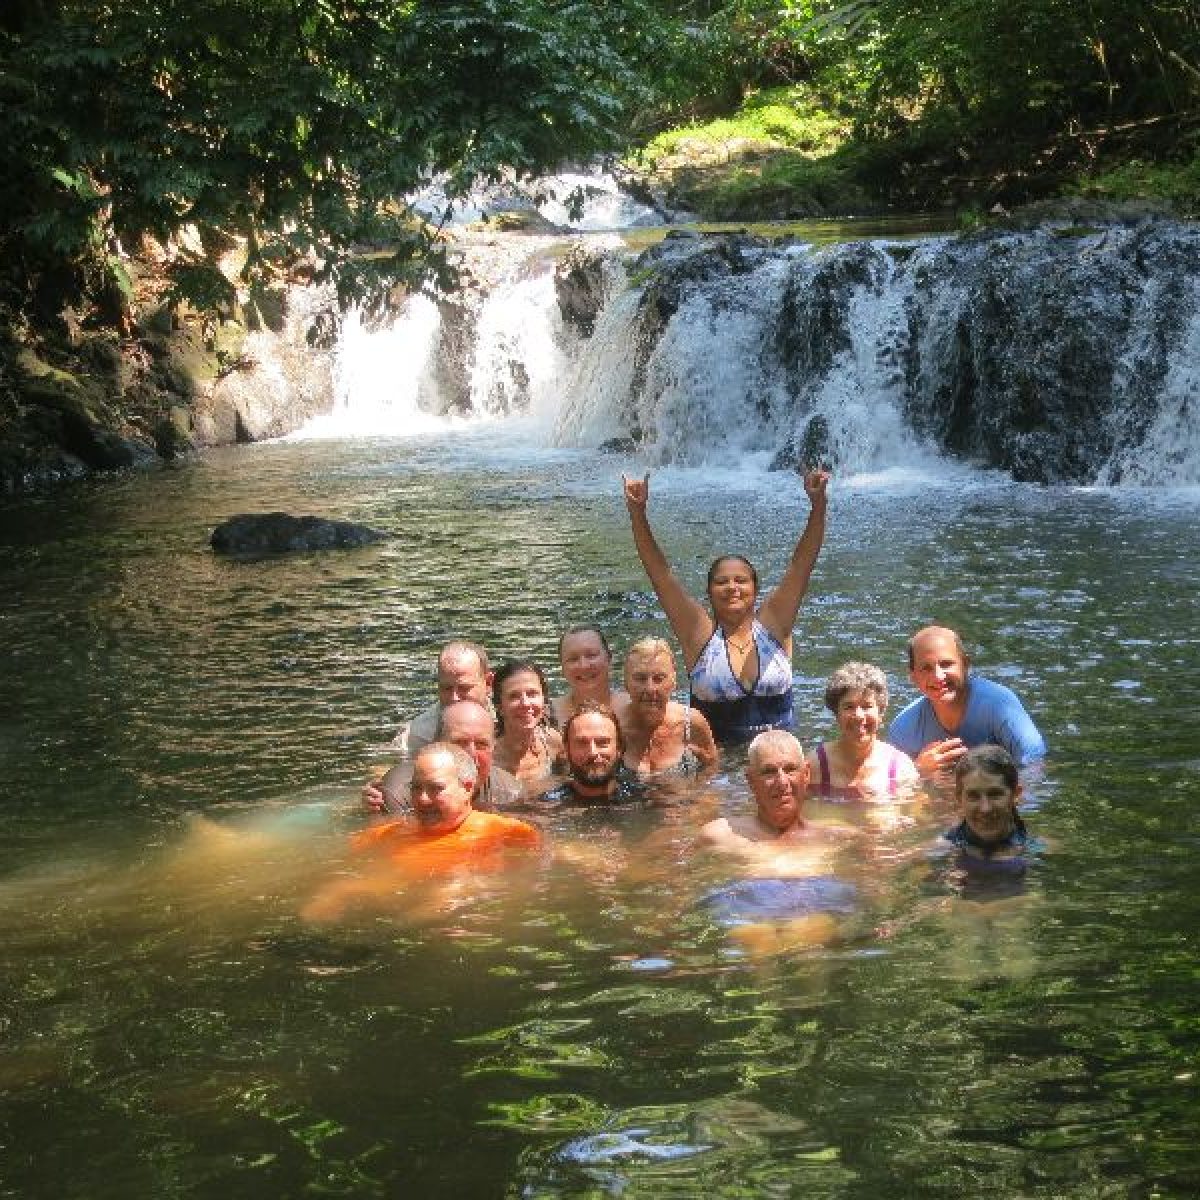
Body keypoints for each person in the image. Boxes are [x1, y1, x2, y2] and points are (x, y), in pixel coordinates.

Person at [622, 468, 829, 744]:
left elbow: (801, 566)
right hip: (716, 771)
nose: (732, 587)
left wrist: (818, 505)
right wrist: (638, 513)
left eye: (741, 581)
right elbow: (661, 576)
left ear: (755, 591)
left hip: (777, 766)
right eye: (722, 582)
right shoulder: (699, 635)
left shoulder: (775, 624)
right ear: (709, 592)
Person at [305, 743, 541, 921]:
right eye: (416, 788)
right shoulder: (385, 833)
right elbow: (332, 864)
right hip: (379, 914)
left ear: (467, 788)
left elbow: (524, 886)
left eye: (435, 788)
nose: (422, 799)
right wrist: (337, 891)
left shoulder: (509, 832)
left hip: (452, 924)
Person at [698, 730, 857, 952]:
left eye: (790, 769)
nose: (782, 782)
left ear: (806, 774)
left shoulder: (835, 835)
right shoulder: (721, 834)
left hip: (816, 903)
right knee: (760, 938)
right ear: (751, 781)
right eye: (769, 772)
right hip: (749, 908)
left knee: (809, 931)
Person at [888, 626, 1047, 784]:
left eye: (946, 664)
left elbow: (1035, 766)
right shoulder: (903, 729)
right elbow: (894, 790)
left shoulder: (999, 706)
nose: (938, 676)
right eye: (926, 668)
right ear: (913, 676)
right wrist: (918, 770)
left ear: (965, 664)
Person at [363, 699, 521, 815]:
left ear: (493, 748)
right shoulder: (399, 791)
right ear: (437, 743)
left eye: (481, 744)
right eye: (459, 743)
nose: (471, 755)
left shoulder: (511, 791)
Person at [806, 662, 918, 802]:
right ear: (836, 714)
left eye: (867, 706)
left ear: (881, 714)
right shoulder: (815, 765)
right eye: (849, 707)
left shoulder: (901, 768)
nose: (858, 715)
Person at [619, 637, 719, 777]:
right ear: (626, 683)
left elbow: (711, 773)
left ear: (673, 682)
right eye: (640, 678)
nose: (650, 688)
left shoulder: (691, 724)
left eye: (659, 678)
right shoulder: (614, 729)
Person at [391, 641, 493, 756]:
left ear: (488, 683)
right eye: (447, 688)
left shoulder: (509, 715)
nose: (454, 698)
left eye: (464, 688)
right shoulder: (417, 736)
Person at [537, 702, 646, 807]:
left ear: (619, 748)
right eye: (582, 743)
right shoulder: (546, 806)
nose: (593, 752)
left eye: (602, 742)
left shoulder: (644, 799)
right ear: (567, 749)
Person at [943, 744, 1032, 863]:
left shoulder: (1039, 851)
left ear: (1015, 795)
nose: (985, 808)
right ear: (959, 799)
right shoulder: (939, 851)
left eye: (995, 794)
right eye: (973, 796)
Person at [491, 660, 564, 784]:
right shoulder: (488, 755)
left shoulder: (554, 743)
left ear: (544, 700)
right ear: (500, 707)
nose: (525, 703)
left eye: (532, 694)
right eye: (514, 696)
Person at [551, 625, 629, 726]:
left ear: (609, 658)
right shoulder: (548, 716)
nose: (583, 666)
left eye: (591, 655)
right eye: (573, 659)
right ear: (562, 667)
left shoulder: (634, 709)